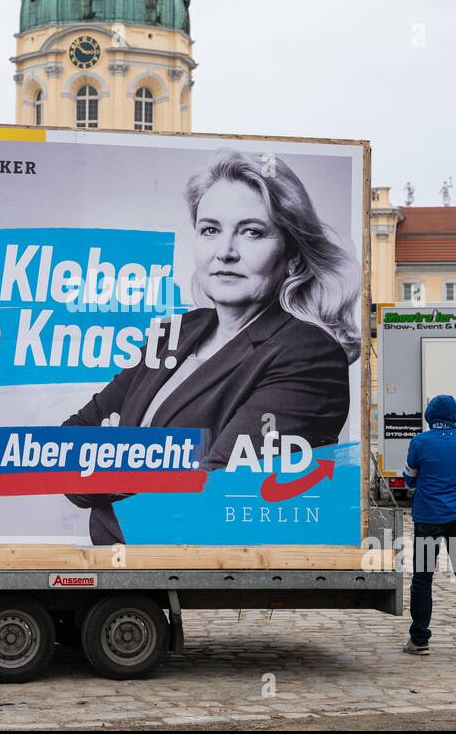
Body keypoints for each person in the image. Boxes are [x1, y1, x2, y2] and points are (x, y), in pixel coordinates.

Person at [62, 150, 361, 544]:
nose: (226, 251)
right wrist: (167, 467)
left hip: (187, 570)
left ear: (291, 255)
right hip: (121, 570)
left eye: (252, 231)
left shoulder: (309, 355)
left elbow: (214, 499)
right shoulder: (178, 332)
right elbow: (64, 448)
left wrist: (114, 457)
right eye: (210, 230)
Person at [402, 394, 456, 656]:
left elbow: (409, 478)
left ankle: (419, 639)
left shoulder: (420, 442)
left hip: (428, 517)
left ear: (430, 415)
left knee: (423, 579)